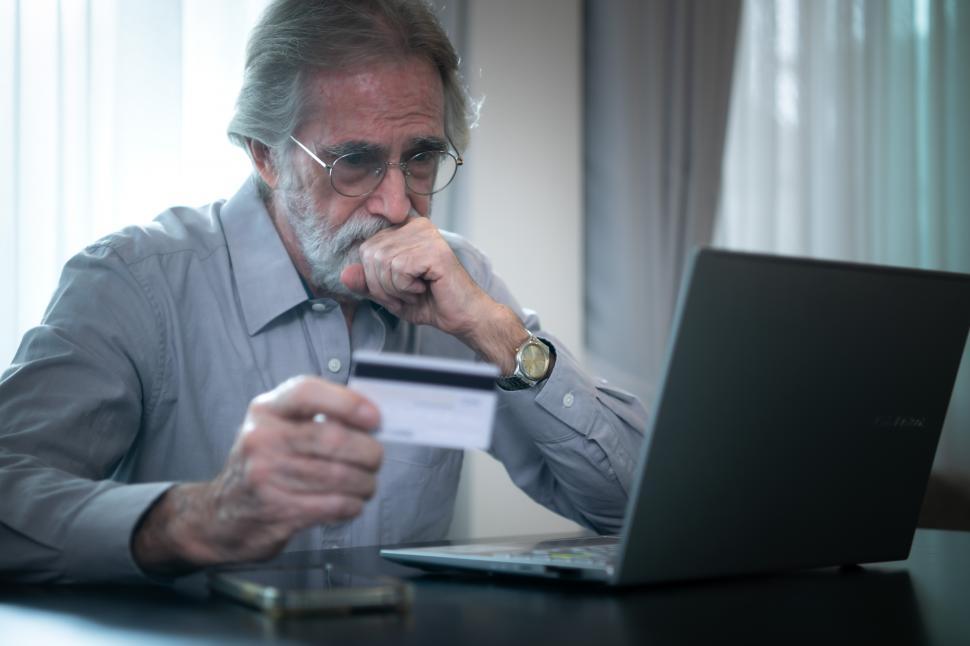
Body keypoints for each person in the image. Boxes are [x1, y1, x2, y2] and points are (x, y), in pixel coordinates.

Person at [0, 0, 646, 583]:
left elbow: (633, 509)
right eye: (355, 162)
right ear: (265, 154)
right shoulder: (137, 283)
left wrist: (497, 333)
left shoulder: (454, 284)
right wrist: (199, 518)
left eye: (420, 157)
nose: (397, 206)